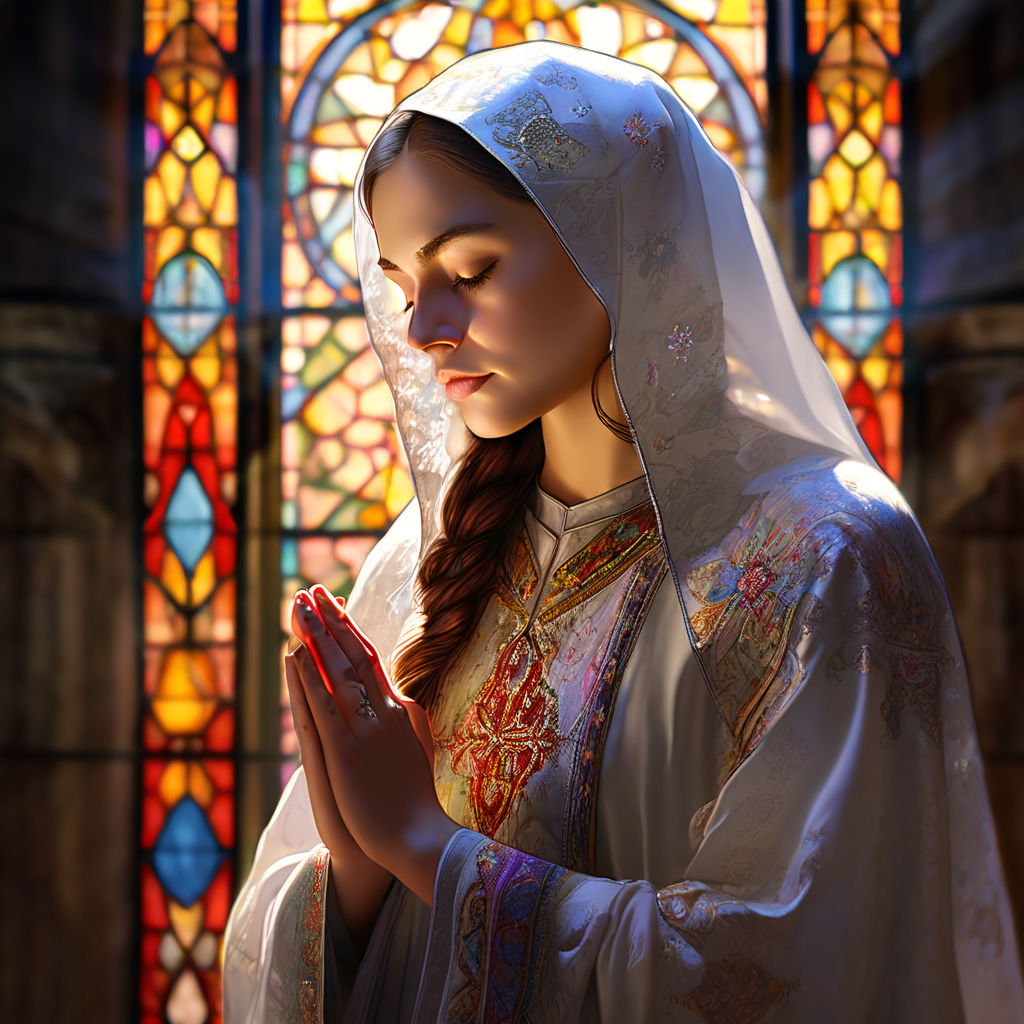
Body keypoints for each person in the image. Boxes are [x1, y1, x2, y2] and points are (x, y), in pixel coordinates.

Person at [222, 40, 1023, 1022]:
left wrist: (425, 847)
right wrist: (355, 871)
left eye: (471, 269)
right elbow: (280, 941)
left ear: (622, 241)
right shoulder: (421, 563)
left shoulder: (820, 559)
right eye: (400, 287)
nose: (424, 328)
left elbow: (806, 961)